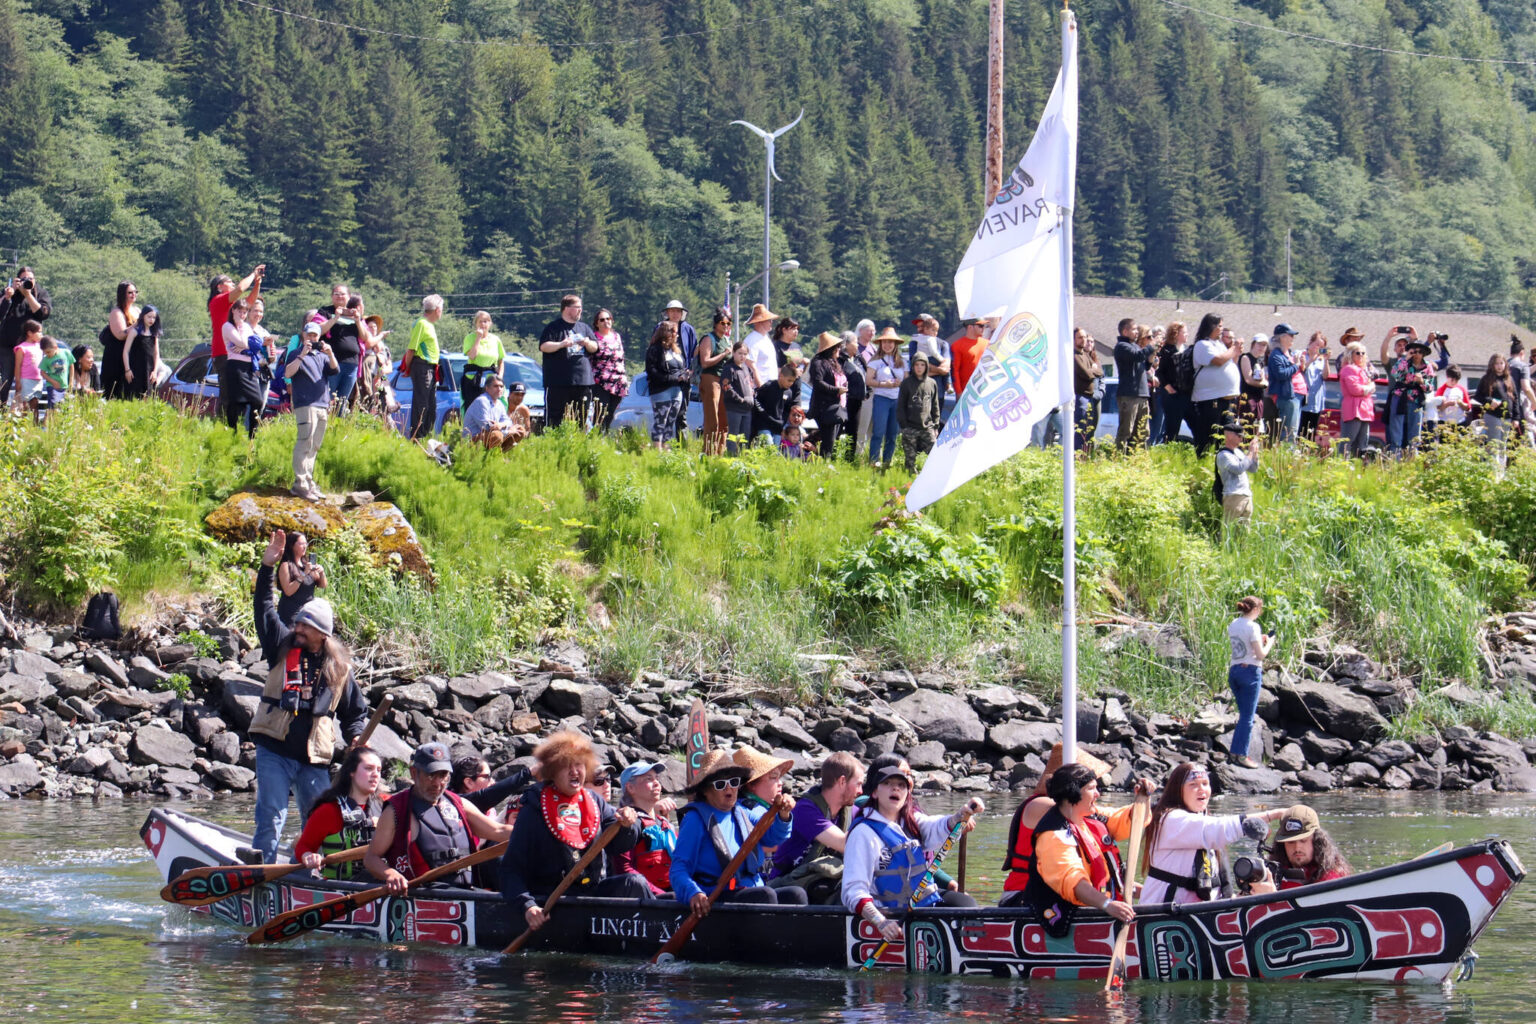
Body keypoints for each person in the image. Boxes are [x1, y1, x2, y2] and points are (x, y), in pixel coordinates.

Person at [248, 529, 369, 863]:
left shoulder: (340, 669)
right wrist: (267, 568)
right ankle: (263, 868)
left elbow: (354, 712)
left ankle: (310, 870)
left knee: (319, 820)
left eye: (304, 626)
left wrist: (357, 736)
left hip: (313, 758)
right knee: (271, 814)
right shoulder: (281, 646)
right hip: (274, 749)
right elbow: (264, 608)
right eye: (297, 624)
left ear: (322, 634)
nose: (297, 629)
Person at [500, 731, 647, 929]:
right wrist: (527, 906)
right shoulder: (533, 809)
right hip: (552, 904)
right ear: (552, 772)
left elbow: (619, 845)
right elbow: (510, 869)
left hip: (590, 895)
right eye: (566, 766)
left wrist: (630, 824)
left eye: (579, 765)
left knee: (634, 882)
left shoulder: (594, 802)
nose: (574, 771)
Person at [842, 760, 980, 943]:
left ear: (907, 793)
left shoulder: (911, 821)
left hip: (920, 902)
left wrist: (959, 817)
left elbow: (935, 827)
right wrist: (881, 923)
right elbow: (853, 891)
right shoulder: (862, 834)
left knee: (965, 904)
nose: (895, 789)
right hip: (886, 912)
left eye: (901, 785)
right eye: (888, 784)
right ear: (874, 792)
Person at [367, 741, 513, 892]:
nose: (437, 783)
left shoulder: (458, 803)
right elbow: (371, 857)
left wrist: (533, 833)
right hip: (423, 895)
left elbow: (498, 830)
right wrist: (390, 874)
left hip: (467, 893)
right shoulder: (395, 811)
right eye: (431, 775)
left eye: (443, 775)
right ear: (414, 773)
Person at [670, 748, 805, 910]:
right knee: (766, 896)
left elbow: (774, 838)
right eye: (721, 784)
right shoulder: (695, 820)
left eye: (734, 782)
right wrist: (693, 893)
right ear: (705, 791)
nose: (729, 789)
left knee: (796, 894)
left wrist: (783, 815)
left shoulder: (744, 811)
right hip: (716, 898)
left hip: (752, 890)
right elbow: (679, 869)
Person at [1019, 762, 1142, 933]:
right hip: (1064, 920)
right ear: (1073, 793)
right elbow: (1074, 881)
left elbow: (1125, 820)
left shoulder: (1091, 818)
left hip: (1099, 907)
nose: (1098, 794)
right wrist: (1107, 904)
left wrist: (1144, 800)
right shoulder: (1054, 835)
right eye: (1092, 788)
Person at [1141, 763, 1286, 904]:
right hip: (1168, 918)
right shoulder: (1170, 820)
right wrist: (1274, 815)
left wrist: (1251, 895)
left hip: (1203, 913)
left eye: (1205, 783)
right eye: (1193, 785)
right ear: (1178, 790)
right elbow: (1220, 829)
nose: (1201, 789)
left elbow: (1221, 890)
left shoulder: (1204, 820)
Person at [1000, 744, 1112, 906]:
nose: (1097, 793)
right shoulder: (1042, 805)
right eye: (1089, 787)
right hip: (1023, 894)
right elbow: (1098, 816)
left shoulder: (1073, 811)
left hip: (1055, 893)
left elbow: (1105, 818)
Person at [769, 752, 864, 904]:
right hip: (786, 885)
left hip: (818, 880)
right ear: (842, 781)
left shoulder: (850, 811)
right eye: (858, 784)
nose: (861, 792)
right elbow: (845, 844)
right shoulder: (805, 809)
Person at [294, 745, 384, 880]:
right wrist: (308, 856)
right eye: (369, 768)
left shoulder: (386, 806)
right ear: (351, 772)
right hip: (339, 885)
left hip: (376, 881)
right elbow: (303, 846)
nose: (376, 774)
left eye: (378, 770)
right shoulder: (329, 811)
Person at [286, 321, 338, 500]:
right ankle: (300, 484)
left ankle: (308, 481)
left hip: (322, 404)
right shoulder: (295, 353)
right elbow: (287, 373)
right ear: (303, 335)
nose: (312, 338)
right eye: (309, 335)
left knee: (315, 445)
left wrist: (330, 353)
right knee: (304, 442)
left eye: (315, 335)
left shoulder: (322, 355)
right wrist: (301, 355)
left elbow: (335, 369)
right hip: (305, 404)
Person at [609, 761, 677, 897]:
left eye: (657, 778)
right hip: (647, 900)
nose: (657, 783)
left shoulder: (664, 823)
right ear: (630, 788)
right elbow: (624, 869)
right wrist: (662, 896)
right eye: (649, 779)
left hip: (674, 893)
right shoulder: (626, 823)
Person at [207, 265, 264, 422]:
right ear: (219, 287)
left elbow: (250, 301)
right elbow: (240, 289)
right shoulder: (218, 301)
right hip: (224, 354)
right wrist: (253, 274)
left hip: (238, 356)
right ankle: (223, 429)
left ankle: (234, 430)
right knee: (228, 397)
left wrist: (257, 283)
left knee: (240, 397)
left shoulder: (233, 306)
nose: (232, 283)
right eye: (229, 281)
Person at [1226, 595, 1273, 768]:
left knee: (1243, 714)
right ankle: (1241, 755)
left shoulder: (1233, 624)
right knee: (1247, 717)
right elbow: (1260, 655)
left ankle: (1234, 753)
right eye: (1259, 609)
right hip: (1250, 672)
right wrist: (1269, 643)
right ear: (1255, 609)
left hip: (1235, 671)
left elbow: (1243, 646)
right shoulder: (1253, 626)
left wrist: (1258, 640)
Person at [1190, 313, 1241, 456]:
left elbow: (1229, 363)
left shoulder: (1219, 345)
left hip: (1227, 399)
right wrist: (1233, 349)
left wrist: (1234, 353)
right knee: (1209, 435)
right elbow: (1218, 360)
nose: (1221, 329)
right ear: (1211, 326)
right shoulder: (1202, 344)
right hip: (1209, 399)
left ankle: (1224, 460)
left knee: (1228, 435)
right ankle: (1203, 461)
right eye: (1219, 326)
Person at [1266, 805, 1350, 889]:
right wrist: (1271, 815)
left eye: (1303, 840)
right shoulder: (1273, 872)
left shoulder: (1331, 874)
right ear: (1282, 845)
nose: (1297, 848)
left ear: (1316, 841)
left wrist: (1269, 897)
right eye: (1290, 842)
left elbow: (1321, 901)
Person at [0, 267, 51, 406]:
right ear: (17, 280)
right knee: (5, 380)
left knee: (30, 381)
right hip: (7, 346)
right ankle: (2, 412)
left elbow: (43, 314)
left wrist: (28, 295)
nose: (27, 282)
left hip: (31, 348)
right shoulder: (9, 291)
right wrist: (8, 296)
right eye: (24, 279)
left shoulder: (39, 293)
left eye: (30, 279)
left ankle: (26, 413)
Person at [221, 299, 268, 439]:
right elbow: (243, 342)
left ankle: (252, 435)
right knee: (234, 402)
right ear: (233, 310)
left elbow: (256, 344)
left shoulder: (246, 327)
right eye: (240, 311)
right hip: (235, 366)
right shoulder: (228, 326)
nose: (242, 314)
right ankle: (232, 433)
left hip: (249, 367)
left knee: (258, 401)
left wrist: (244, 345)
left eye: (244, 312)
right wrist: (245, 344)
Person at [644, 321, 690, 450]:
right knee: (660, 422)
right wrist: (673, 378)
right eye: (675, 332)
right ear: (666, 333)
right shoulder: (655, 349)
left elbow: (681, 368)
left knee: (670, 422)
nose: (677, 335)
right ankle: (657, 451)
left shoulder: (676, 351)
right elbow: (651, 371)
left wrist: (685, 374)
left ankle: (666, 449)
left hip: (677, 391)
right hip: (660, 390)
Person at [865, 327, 906, 469]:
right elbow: (868, 380)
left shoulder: (902, 362)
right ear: (880, 344)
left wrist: (900, 384)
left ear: (895, 344)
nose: (887, 345)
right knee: (878, 432)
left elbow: (906, 381)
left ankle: (887, 463)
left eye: (891, 342)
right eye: (885, 342)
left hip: (897, 400)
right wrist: (884, 384)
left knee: (892, 434)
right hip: (881, 398)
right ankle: (873, 462)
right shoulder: (875, 361)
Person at [1387, 336, 1435, 454]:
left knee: (1414, 435)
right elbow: (1395, 374)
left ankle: (1412, 461)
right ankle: (1395, 459)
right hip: (1400, 398)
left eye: (1419, 352)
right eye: (1414, 351)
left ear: (1423, 354)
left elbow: (1430, 387)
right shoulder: (1404, 363)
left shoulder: (1428, 366)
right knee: (1396, 432)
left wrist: (1422, 382)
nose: (1416, 354)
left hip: (1416, 400)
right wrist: (1405, 358)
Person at [321, 294, 369, 409]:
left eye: (343, 294)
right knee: (328, 397)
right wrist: (336, 317)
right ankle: (325, 422)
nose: (339, 296)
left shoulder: (357, 317)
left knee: (343, 400)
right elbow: (318, 330)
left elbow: (365, 337)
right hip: (333, 362)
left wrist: (357, 320)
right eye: (336, 294)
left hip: (352, 363)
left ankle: (339, 422)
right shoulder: (326, 312)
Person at [406, 294, 444, 439]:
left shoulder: (429, 325)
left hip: (431, 368)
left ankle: (426, 435)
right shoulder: (421, 323)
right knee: (421, 405)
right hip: (422, 366)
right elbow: (411, 348)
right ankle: (417, 437)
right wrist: (407, 368)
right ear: (437, 310)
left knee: (431, 406)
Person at [808, 331, 850, 458]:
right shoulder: (818, 363)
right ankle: (824, 464)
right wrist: (836, 390)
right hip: (824, 408)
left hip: (836, 407)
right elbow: (818, 382)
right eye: (837, 347)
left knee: (833, 441)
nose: (839, 350)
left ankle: (826, 462)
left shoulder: (834, 364)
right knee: (828, 441)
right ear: (830, 349)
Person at [695, 309, 732, 454]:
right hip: (710, 379)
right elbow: (705, 362)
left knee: (724, 420)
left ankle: (720, 453)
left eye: (729, 323)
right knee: (713, 420)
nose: (726, 326)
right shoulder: (708, 339)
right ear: (716, 324)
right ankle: (709, 452)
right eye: (723, 323)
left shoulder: (726, 340)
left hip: (724, 382)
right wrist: (724, 354)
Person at [1112, 317, 1152, 449]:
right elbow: (1137, 356)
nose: (1137, 332)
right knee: (1126, 431)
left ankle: (1138, 460)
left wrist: (1152, 356)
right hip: (1128, 395)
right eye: (1134, 329)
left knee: (1142, 432)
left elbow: (1144, 366)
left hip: (1142, 394)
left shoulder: (1135, 346)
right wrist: (1150, 346)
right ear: (1125, 331)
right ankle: (1119, 458)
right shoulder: (1122, 347)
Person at [897, 351, 940, 472]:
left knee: (934, 454)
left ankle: (931, 476)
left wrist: (935, 426)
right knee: (910, 459)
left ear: (926, 366)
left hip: (927, 427)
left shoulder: (932, 383)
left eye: (922, 365)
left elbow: (935, 405)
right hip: (910, 427)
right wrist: (904, 426)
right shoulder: (906, 383)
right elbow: (900, 406)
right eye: (917, 365)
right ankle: (909, 478)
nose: (919, 368)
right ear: (912, 366)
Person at [276, 531, 328, 627]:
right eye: (301, 544)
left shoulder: (306, 564)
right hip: (290, 614)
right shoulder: (286, 565)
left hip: (307, 614)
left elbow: (323, 585)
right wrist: (304, 574)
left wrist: (321, 572)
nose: (305, 547)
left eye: (306, 544)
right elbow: (288, 591)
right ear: (292, 545)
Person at [590, 307, 629, 432]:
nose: (606, 321)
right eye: (602, 320)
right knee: (601, 412)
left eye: (608, 318)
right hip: (601, 381)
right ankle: (597, 439)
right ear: (597, 323)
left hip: (618, 382)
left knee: (611, 413)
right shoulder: (593, 337)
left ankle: (604, 437)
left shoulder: (616, 336)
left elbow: (621, 358)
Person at [1216, 420, 1261, 525]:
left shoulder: (1238, 452)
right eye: (1239, 436)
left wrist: (1255, 455)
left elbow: (1252, 469)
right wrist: (1249, 452)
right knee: (1229, 530)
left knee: (1244, 533)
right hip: (1233, 495)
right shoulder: (1223, 455)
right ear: (1230, 436)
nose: (1241, 439)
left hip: (1246, 495)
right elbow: (1238, 469)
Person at [463, 375, 526, 451]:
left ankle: (497, 455)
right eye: (495, 386)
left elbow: (508, 421)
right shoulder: (481, 401)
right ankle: (485, 457)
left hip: (491, 435)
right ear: (487, 388)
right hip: (471, 440)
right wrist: (508, 430)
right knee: (497, 435)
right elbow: (486, 427)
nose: (499, 389)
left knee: (520, 430)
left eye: (501, 386)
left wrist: (501, 425)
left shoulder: (499, 403)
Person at [99, 281, 139, 401]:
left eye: (135, 292)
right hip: (116, 358)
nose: (133, 295)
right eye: (130, 292)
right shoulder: (116, 312)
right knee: (115, 394)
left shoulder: (137, 310)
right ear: (123, 294)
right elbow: (120, 335)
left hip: (133, 357)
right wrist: (138, 324)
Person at [460, 310, 506, 411]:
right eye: (480, 321)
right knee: (473, 407)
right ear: (476, 324)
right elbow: (472, 356)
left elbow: (501, 361)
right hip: (473, 379)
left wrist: (499, 378)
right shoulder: (469, 338)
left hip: (491, 379)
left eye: (485, 321)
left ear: (490, 323)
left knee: (491, 407)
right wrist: (478, 338)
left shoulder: (496, 340)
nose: (483, 324)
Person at [907, 313, 951, 418]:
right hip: (919, 388)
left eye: (922, 326)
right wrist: (939, 370)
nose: (919, 329)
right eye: (918, 327)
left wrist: (934, 371)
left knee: (936, 419)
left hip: (938, 389)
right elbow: (916, 362)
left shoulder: (942, 343)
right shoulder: (914, 343)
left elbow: (946, 365)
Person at [1339, 341, 1377, 456]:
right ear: (1350, 354)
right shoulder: (1348, 369)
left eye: (1363, 353)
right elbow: (1355, 389)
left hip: (1365, 409)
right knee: (1348, 441)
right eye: (1357, 353)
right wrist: (1370, 387)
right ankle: (1342, 465)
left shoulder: (1363, 370)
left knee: (1362, 444)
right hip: (1353, 408)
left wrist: (1369, 388)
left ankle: (1359, 466)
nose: (1361, 355)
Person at [720, 341, 758, 454]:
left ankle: (742, 459)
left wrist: (752, 395)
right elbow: (726, 386)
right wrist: (740, 399)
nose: (743, 356)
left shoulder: (747, 368)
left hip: (747, 409)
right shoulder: (729, 368)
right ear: (733, 353)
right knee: (733, 436)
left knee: (744, 437)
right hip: (734, 408)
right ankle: (731, 458)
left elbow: (750, 385)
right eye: (740, 353)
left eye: (745, 354)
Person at [1157, 320, 1191, 445]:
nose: (1187, 334)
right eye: (1185, 332)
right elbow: (1159, 371)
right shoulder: (1167, 350)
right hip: (1172, 394)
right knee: (1172, 427)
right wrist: (1167, 386)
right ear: (1176, 334)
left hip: (1186, 393)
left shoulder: (1187, 350)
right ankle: (1169, 450)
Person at [1267, 325, 1303, 443]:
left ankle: (1288, 455)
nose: (1293, 338)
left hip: (1291, 396)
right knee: (1289, 432)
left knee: (1292, 431)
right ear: (1282, 337)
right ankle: (1285, 456)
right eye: (1291, 335)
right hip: (1285, 397)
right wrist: (1296, 365)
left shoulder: (1283, 354)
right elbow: (1281, 374)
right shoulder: (1276, 355)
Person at [1073, 327, 1105, 451]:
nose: (1083, 340)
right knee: (1080, 431)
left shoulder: (1086, 355)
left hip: (1089, 397)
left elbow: (1100, 372)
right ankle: (1077, 458)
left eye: (1085, 337)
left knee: (1088, 430)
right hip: (1080, 397)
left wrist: (1093, 370)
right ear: (1074, 339)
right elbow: (1086, 374)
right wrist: (1093, 369)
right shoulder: (1074, 356)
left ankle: (1085, 457)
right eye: (1080, 337)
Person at [122, 306, 163, 399]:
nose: (151, 320)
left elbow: (156, 354)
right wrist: (127, 370)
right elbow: (125, 351)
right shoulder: (134, 332)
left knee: (148, 397)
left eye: (154, 317)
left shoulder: (154, 334)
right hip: (134, 371)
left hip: (149, 371)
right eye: (149, 317)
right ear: (143, 316)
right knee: (134, 397)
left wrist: (155, 371)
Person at [752, 362, 799, 443]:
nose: (791, 383)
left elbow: (787, 410)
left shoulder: (789, 393)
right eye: (789, 380)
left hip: (777, 427)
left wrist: (782, 422)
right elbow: (756, 400)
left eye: (793, 381)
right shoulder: (769, 386)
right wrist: (763, 414)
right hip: (764, 424)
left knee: (775, 450)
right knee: (768, 444)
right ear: (780, 376)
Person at [839, 332, 868, 461]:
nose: (857, 344)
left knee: (853, 430)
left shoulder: (858, 358)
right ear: (846, 344)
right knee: (840, 430)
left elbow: (865, 374)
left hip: (857, 400)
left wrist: (867, 391)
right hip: (845, 399)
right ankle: (835, 457)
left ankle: (849, 459)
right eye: (855, 342)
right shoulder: (840, 360)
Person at [852, 319, 878, 457]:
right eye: (869, 330)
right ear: (860, 331)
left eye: (873, 330)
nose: (872, 333)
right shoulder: (855, 348)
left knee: (873, 427)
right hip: (863, 392)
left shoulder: (874, 349)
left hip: (875, 390)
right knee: (862, 425)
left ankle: (870, 456)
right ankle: (858, 455)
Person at [9, 320, 43, 420]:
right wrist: (18, 381)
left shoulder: (40, 347)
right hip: (26, 380)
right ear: (29, 333)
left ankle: (34, 425)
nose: (41, 335)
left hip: (38, 380)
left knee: (35, 403)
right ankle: (23, 423)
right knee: (25, 405)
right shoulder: (22, 348)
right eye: (39, 332)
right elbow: (18, 366)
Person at [1299, 333, 1329, 441]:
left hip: (1316, 402)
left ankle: (1307, 453)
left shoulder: (1321, 360)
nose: (1318, 349)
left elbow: (1325, 376)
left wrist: (1326, 360)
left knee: (1311, 433)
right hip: (1304, 401)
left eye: (1321, 347)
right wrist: (1311, 359)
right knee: (1301, 430)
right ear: (1310, 343)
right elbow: (1301, 370)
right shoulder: (1301, 355)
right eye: (1317, 345)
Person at [950, 317, 990, 399]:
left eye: (984, 326)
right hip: (966, 393)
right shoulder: (957, 345)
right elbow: (955, 370)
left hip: (985, 391)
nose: (983, 328)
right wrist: (959, 392)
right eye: (980, 326)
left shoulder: (988, 344)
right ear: (970, 327)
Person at [743, 304, 779, 390]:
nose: (771, 322)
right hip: (760, 388)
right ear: (759, 321)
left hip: (771, 386)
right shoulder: (752, 340)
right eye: (768, 320)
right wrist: (761, 387)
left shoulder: (766, 338)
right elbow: (750, 365)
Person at [657, 299, 698, 374]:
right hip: (665, 372)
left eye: (678, 311)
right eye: (672, 311)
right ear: (667, 313)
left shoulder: (689, 329)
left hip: (686, 372)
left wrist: (692, 369)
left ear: (682, 314)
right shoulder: (660, 327)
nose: (675, 314)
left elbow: (694, 352)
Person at [1435, 365, 1471, 435]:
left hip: (1460, 422)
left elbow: (1468, 407)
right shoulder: (1441, 390)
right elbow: (1437, 408)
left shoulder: (1461, 389)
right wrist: (1447, 404)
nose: (1453, 382)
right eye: (1452, 379)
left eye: (1456, 380)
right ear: (1447, 377)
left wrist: (1461, 403)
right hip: (1444, 422)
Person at [36, 336, 67, 417]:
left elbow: (71, 365)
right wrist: (53, 382)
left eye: (48, 352)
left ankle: (56, 424)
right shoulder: (46, 359)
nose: (47, 354)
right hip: (52, 386)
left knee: (63, 406)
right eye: (45, 353)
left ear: (55, 347)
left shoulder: (65, 353)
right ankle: (46, 426)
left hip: (64, 386)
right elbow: (42, 372)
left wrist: (70, 382)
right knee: (53, 406)